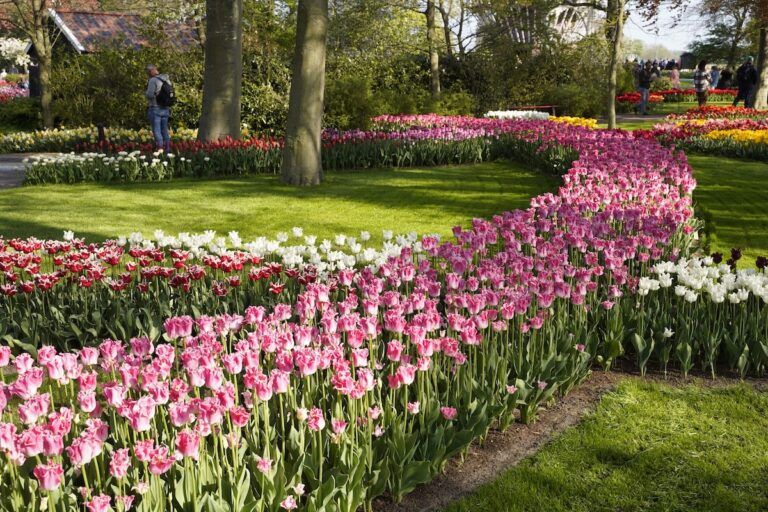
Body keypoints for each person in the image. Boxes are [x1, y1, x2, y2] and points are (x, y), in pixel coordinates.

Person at [145, 64, 172, 152]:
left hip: (155, 108)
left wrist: (145, 94)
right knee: (164, 130)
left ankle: (160, 151)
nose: (147, 74)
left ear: (151, 71)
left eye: (148, 72)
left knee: (157, 131)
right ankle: (167, 150)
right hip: (165, 108)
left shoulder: (153, 80)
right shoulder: (166, 79)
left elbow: (149, 94)